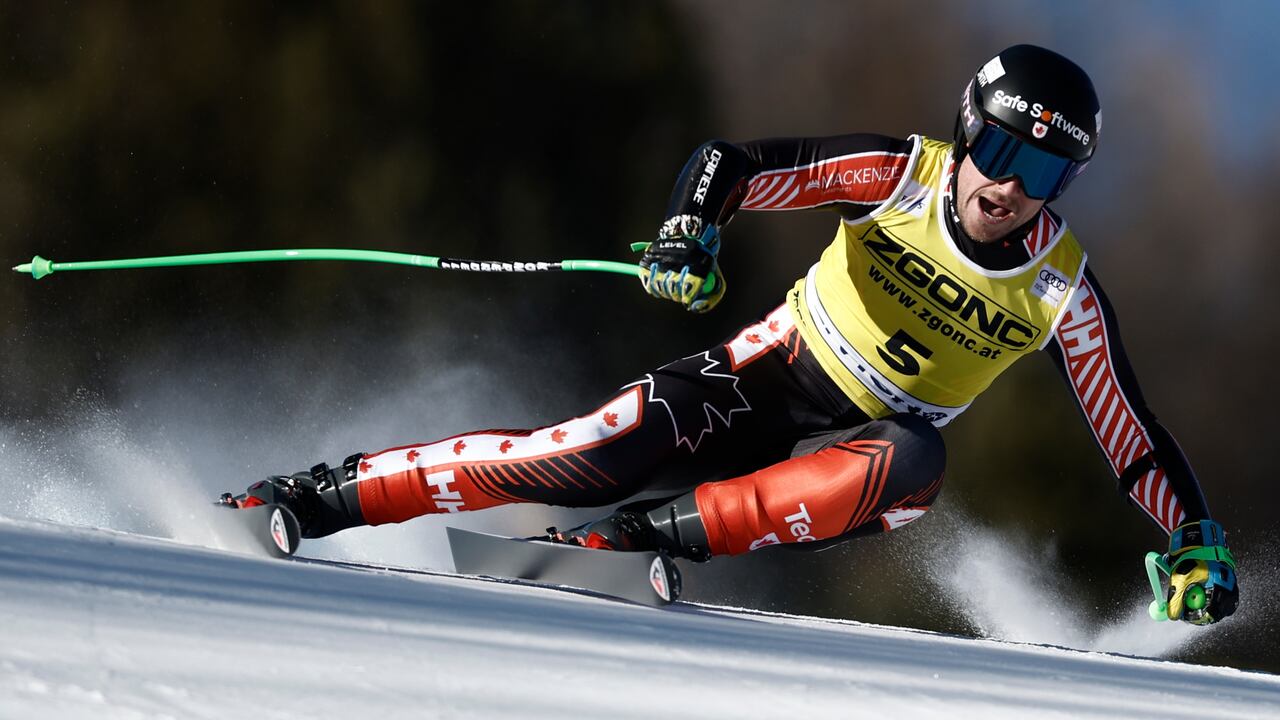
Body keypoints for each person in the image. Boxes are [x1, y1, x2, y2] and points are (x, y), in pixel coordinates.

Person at [225, 44, 1238, 624]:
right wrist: (687, 231)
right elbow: (737, 165)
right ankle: (316, 496)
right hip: (764, 377)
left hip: (859, 457)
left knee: (912, 461)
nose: (1009, 187)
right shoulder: (902, 176)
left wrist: (1191, 535)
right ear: (969, 130)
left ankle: (638, 543)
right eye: (1002, 149)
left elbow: (1128, 434)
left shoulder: (1059, 288)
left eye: (1044, 173)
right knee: (586, 454)